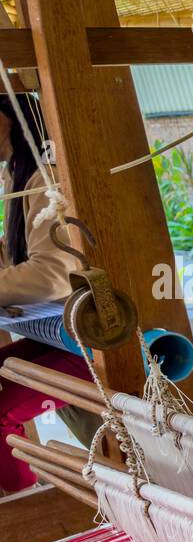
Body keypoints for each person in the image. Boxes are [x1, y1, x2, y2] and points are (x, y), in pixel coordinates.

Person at [0, 92, 88, 495]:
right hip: (61, 334)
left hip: (93, 341)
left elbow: (52, 277)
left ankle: (26, 518)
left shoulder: (45, 177)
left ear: (9, 120)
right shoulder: (17, 176)